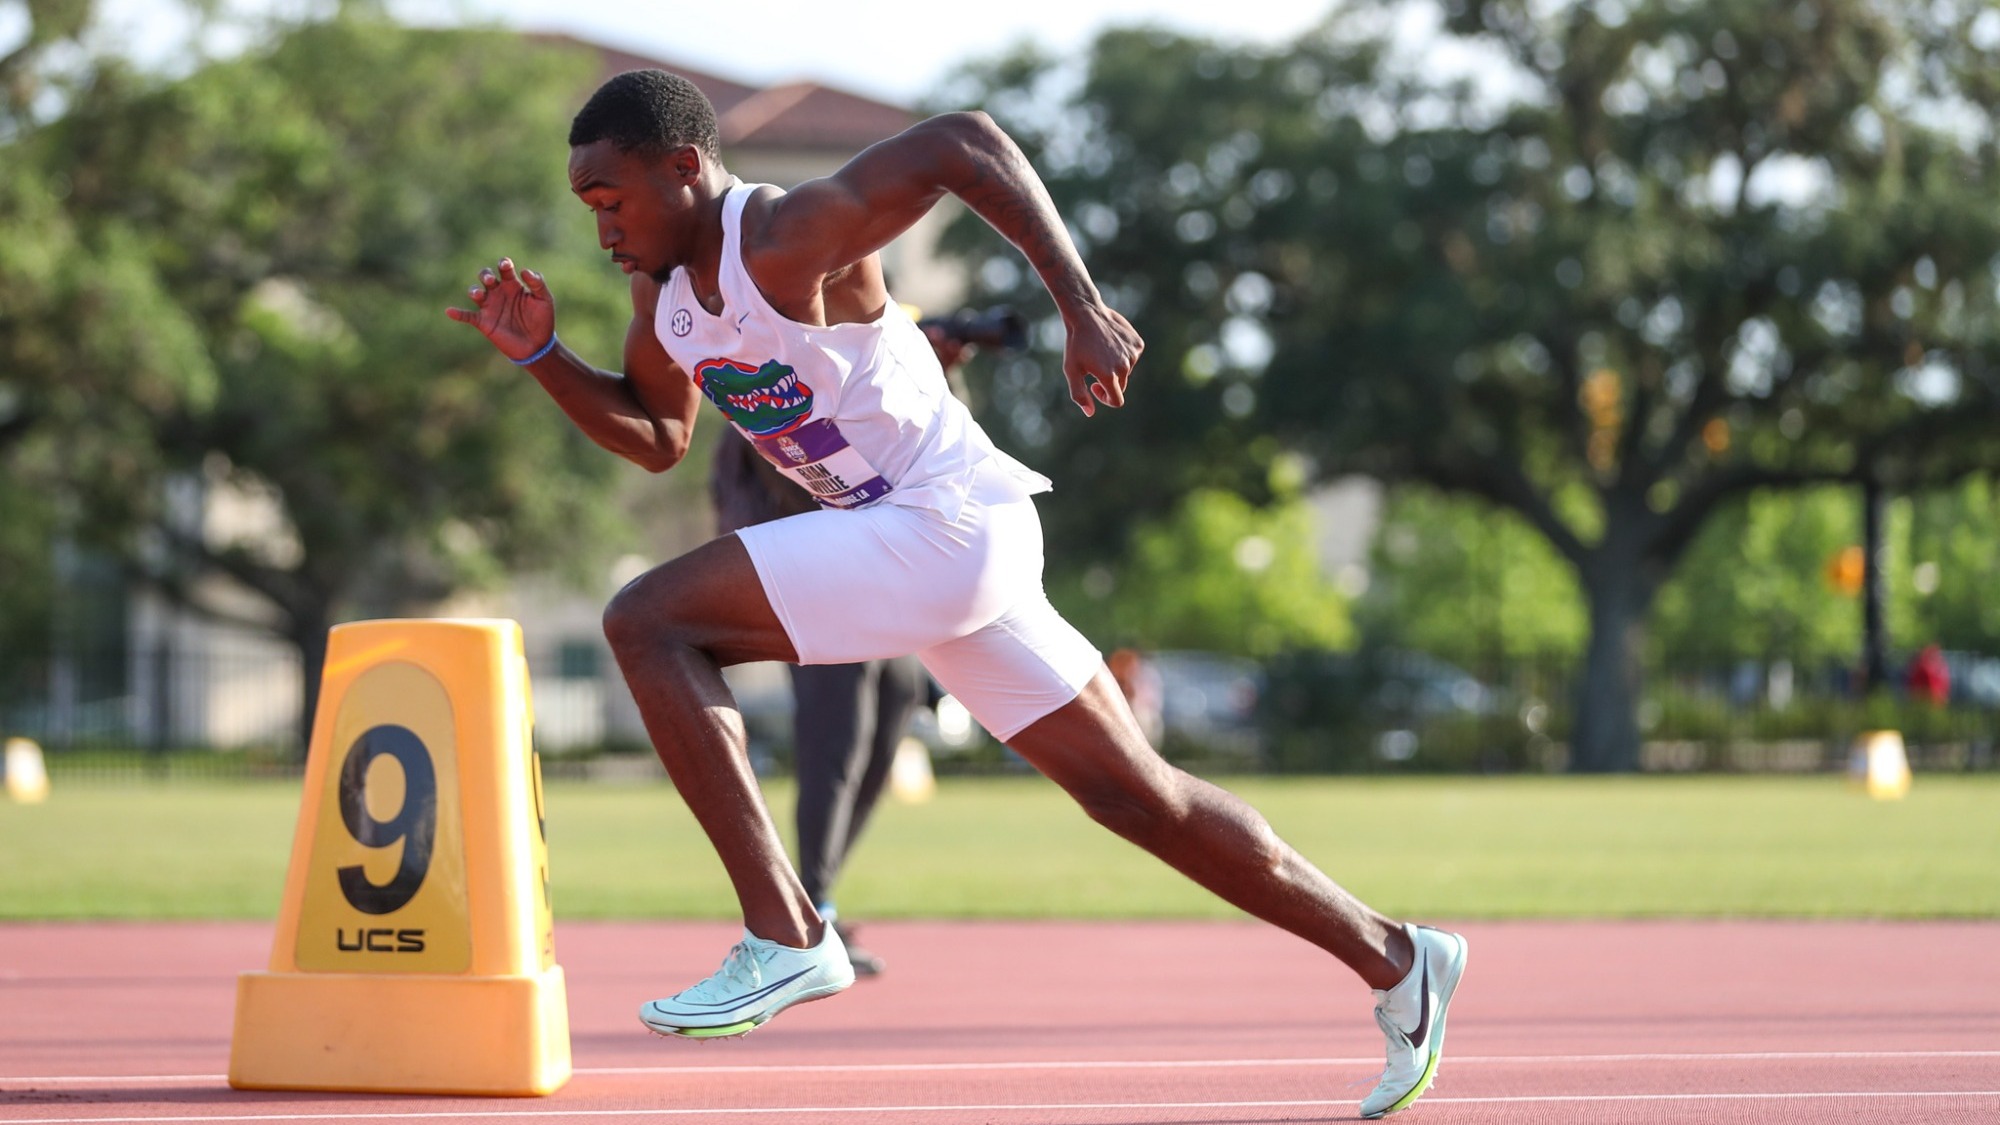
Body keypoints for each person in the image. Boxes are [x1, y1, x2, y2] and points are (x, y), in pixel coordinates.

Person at [446, 68, 1466, 1119]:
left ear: (684, 169)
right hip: (924, 548)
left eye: (610, 200)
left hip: (944, 525)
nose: (602, 227)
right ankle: (1396, 959)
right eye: (586, 209)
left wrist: (1080, 306)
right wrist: (539, 355)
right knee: (1136, 796)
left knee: (645, 619)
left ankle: (788, 934)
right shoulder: (661, 299)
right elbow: (658, 438)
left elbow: (962, 142)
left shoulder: (786, 237)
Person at [708, 311, 995, 977]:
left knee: (892, 709)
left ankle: (816, 894)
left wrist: (938, 372)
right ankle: (807, 918)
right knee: (834, 740)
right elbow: (802, 468)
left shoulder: (872, 371)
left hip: (875, 568)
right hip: (810, 568)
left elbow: (939, 451)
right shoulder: (782, 365)